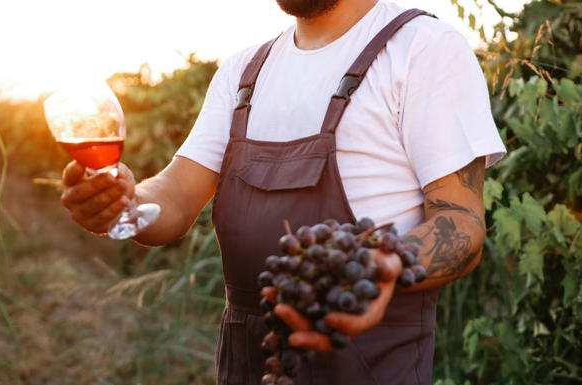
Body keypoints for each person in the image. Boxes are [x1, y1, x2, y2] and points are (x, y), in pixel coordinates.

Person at [60, 0, 506, 383]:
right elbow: (176, 194)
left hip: (369, 364)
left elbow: (460, 222)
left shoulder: (423, 48)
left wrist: (384, 264)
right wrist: (126, 204)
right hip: (247, 364)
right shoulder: (244, 71)